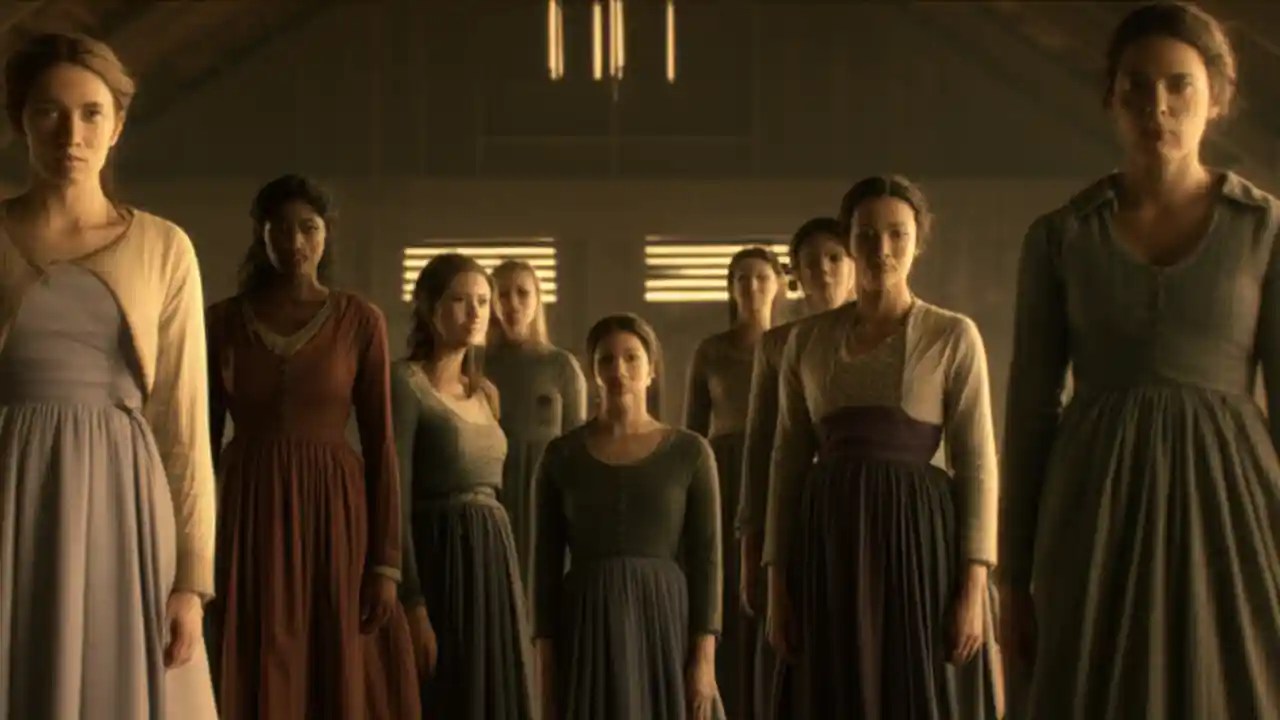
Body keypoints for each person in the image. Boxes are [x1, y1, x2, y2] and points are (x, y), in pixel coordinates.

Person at [1000, 3, 1280, 718]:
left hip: (1233, 506)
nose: (1158, 104)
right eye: (1137, 85)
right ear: (1111, 97)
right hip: (1095, 503)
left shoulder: (1264, 229)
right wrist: (1013, 577)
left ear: (1217, 97)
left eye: (1179, 84)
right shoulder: (1061, 236)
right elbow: (1030, 412)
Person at [0, 32, 217, 718]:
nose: (72, 132)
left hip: (122, 503)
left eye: (92, 112)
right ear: (19, 122)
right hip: (9, 495)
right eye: (49, 112)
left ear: (118, 125)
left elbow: (184, 430)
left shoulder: (163, 247)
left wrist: (192, 581)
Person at [766, 176, 1001, 718]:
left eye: (897, 234)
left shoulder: (952, 335)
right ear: (849, 242)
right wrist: (777, 579)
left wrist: (972, 585)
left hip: (918, 544)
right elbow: (787, 461)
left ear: (918, 241)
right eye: (867, 234)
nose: (882, 249)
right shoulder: (806, 341)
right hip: (829, 540)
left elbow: (978, 464)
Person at [206, 175, 415, 719]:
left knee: (332, 664)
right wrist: (193, 548)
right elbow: (199, 442)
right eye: (281, 229)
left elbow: (381, 443)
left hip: (334, 512)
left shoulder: (359, 321)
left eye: (309, 228)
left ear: (326, 236)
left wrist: (385, 564)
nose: (295, 242)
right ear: (261, 235)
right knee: (256, 655)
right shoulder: (222, 321)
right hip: (246, 510)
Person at [533, 313, 724, 720]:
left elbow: (707, 561)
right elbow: (544, 568)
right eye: (606, 360)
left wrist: (704, 660)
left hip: (663, 623)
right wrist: (546, 670)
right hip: (588, 626)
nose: (619, 370)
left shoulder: (689, 452)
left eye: (632, 358)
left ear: (651, 369)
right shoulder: (561, 455)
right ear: (592, 371)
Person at [394, 253, 535, 719]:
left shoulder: (486, 393)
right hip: (441, 558)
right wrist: (412, 602)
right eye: (459, 300)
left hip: (493, 558)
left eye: (481, 300)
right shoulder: (405, 383)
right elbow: (394, 495)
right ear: (430, 308)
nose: (476, 312)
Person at [735, 217, 855, 719]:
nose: (823, 271)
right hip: (803, 518)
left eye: (833, 258)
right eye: (810, 262)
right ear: (795, 276)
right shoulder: (779, 344)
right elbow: (763, 449)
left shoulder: (885, 333)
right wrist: (753, 548)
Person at [683, 246, 782, 719]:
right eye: (741, 279)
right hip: (722, 470)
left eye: (761, 277)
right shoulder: (712, 350)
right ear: (730, 288)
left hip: (777, 466)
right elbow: (692, 430)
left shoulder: (790, 342)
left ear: (779, 284)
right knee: (721, 579)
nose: (752, 287)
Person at [484, 259, 587, 592]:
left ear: (536, 300)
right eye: (503, 294)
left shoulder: (561, 366)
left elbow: (578, 446)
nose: (513, 303)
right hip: (495, 489)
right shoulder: (476, 363)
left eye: (522, 293)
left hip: (547, 490)